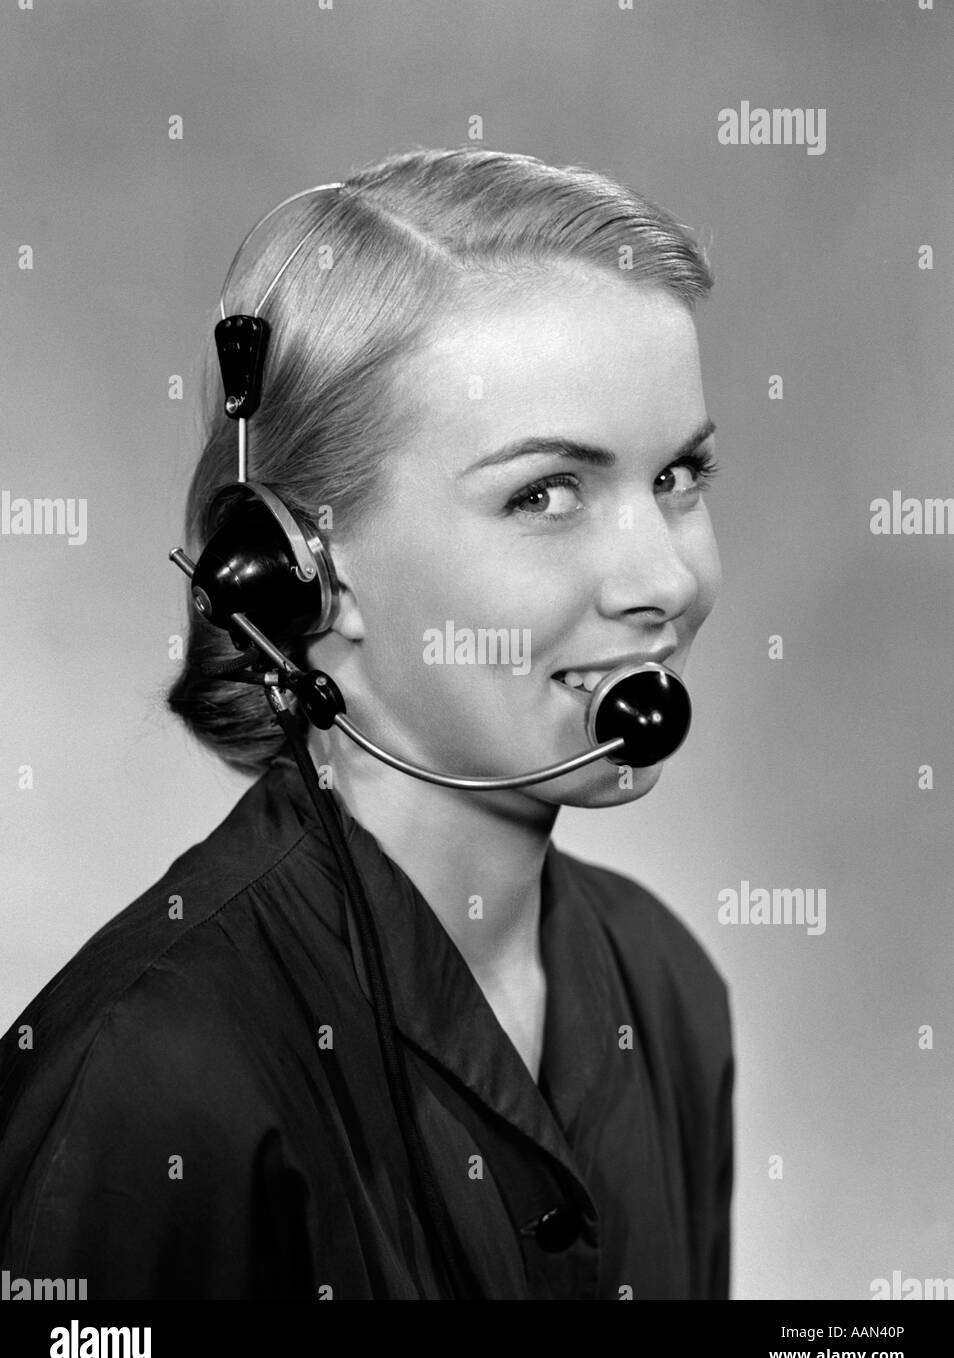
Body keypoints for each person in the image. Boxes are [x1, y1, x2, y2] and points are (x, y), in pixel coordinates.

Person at [0, 146, 733, 1300]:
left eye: (679, 477)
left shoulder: (666, 987)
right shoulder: (148, 1077)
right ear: (297, 577)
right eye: (543, 494)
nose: (665, 579)